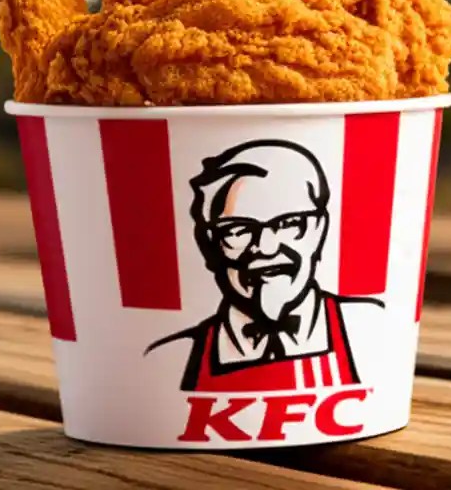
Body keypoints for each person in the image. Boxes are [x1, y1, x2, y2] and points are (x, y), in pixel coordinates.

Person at [148, 140, 380, 392]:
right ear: (209, 244)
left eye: (290, 223)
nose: (267, 248)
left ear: (319, 231)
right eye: (238, 230)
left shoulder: (371, 326)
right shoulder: (171, 356)